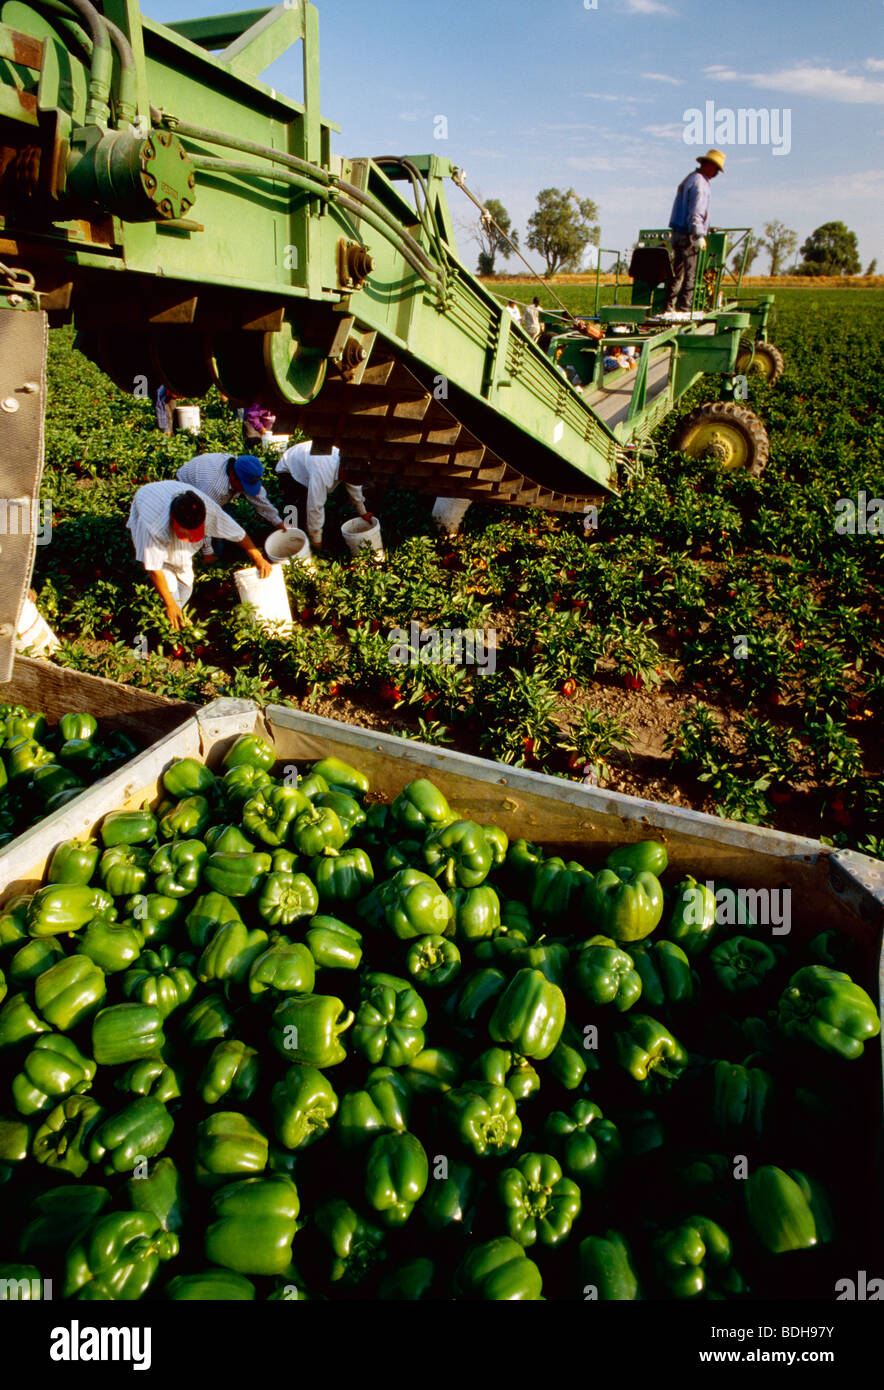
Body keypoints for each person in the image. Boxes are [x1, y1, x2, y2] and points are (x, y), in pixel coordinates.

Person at [127, 481, 272, 631]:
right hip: (148, 499)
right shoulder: (153, 526)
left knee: (185, 584)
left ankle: (176, 612)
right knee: (165, 582)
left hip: (169, 492)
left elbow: (238, 534)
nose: (190, 537)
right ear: (172, 517)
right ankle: (168, 621)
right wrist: (170, 604)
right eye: (185, 532)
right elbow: (153, 568)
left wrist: (258, 558)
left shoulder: (209, 512)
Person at [176, 452, 284, 562]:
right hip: (188, 488)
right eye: (243, 486)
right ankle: (214, 558)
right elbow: (203, 517)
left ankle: (230, 553)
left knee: (229, 527)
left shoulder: (244, 470)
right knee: (215, 539)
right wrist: (208, 552)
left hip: (208, 489)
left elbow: (261, 501)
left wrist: (279, 523)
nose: (244, 490)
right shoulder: (215, 488)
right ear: (232, 475)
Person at [276, 440, 369, 551]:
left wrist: (362, 512)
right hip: (290, 469)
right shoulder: (322, 472)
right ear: (343, 472)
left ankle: (308, 530)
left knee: (308, 505)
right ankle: (291, 538)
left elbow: (355, 487)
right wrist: (317, 541)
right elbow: (315, 507)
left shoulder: (351, 465)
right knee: (292, 508)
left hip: (309, 465)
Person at [664, 148, 725, 312]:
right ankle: (685, 310)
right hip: (688, 234)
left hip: (677, 233)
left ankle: (669, 308)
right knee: (691, 274)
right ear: (708, 164)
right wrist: (698, 234)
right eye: (716, 168)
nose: (716, 173)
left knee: (677, 273)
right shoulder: (701, 184)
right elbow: (696, 212)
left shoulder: (689, 179)